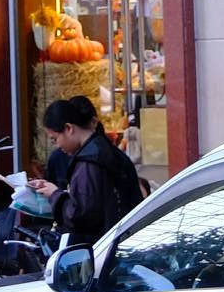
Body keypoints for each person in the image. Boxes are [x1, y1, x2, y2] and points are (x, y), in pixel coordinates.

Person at [31, 95, 144, 241]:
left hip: (101, 244)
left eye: (55, 139)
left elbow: (81, 215)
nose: (57, 146)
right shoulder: (102, 150)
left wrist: (55, 195)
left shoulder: (88, 162)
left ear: (68, 128)